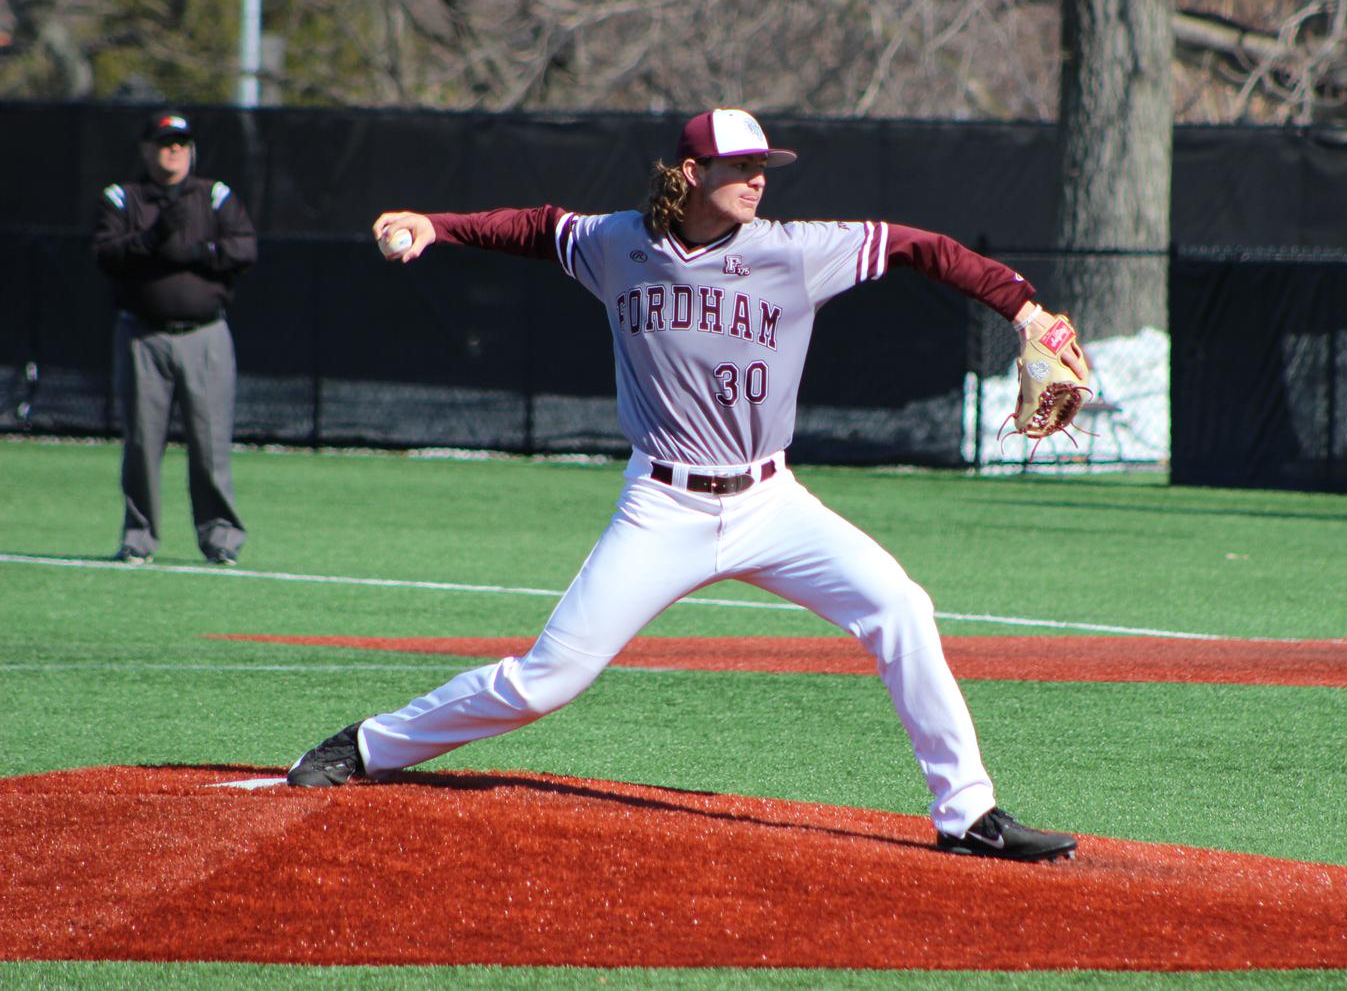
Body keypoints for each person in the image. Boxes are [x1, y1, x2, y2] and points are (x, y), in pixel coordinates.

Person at [289, 108, 1088, 862]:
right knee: (548, 680)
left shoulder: (793, 249)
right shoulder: (618, 244)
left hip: (771, 502)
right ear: (691, 170)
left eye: (764, 165)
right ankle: (368, 745)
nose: (759, 178)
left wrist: (1022, 309)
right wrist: (438, 225)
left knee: (900, 605)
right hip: (662, 505)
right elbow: (536, 228)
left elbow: (924, 247)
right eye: (741, 165)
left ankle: (968, 814)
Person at [91, 109, 256, 566]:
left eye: (180, 143)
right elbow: (107, 254)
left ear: (191, 150)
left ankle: (221, 539)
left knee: (210, 441)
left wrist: (196, 251)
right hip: (143, 336)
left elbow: (244, 249)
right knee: (143, 443)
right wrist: (153, 238)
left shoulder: (213, 196)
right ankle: (139, 538)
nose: (173, 150)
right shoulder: (125, 199)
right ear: (146, 149)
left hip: (204, 336)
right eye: (164, 143)